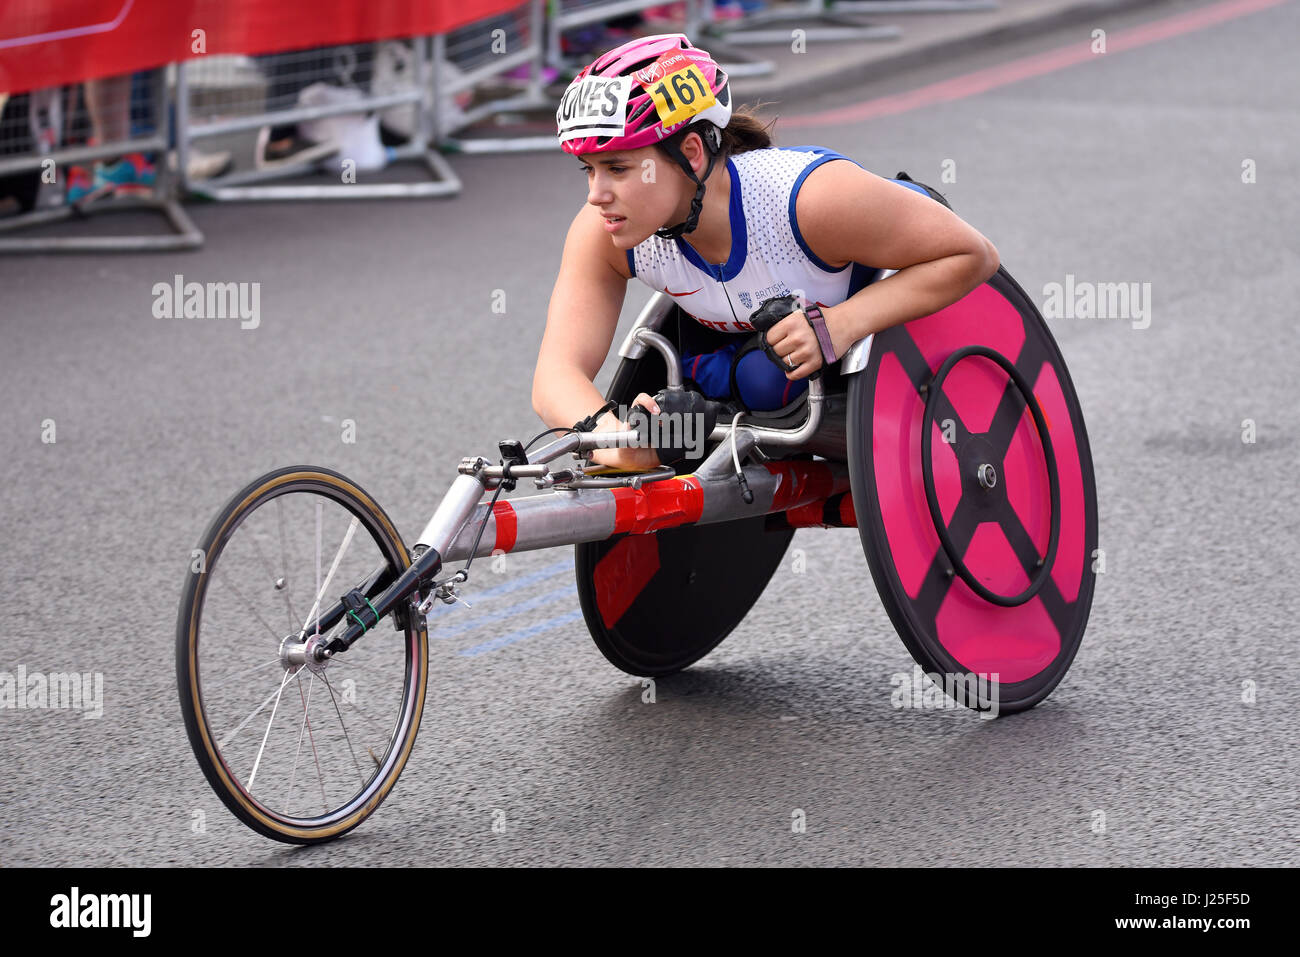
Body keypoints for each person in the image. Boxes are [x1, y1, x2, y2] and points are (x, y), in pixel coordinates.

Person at [532, 34, 1000, 471]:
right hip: (751, 350)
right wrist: (618, 443)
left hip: (880, 324)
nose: (597, 195)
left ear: (692, 153)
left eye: (617, 167)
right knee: (688, 406)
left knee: (766, 376)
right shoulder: (602, 231)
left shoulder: (812, 200)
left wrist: (839, 325)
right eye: (588, 170)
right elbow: (556, 374)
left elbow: (973, 255)